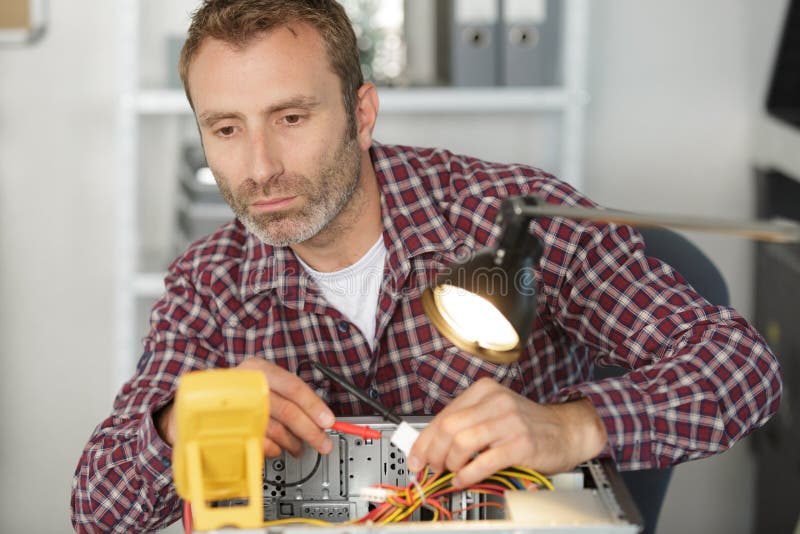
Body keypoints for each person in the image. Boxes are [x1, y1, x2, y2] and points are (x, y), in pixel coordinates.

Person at [71, 0, 782, 532]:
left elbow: (741, 369)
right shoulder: (211, 280)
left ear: (363, 111)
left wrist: (571, 427)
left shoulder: (505, 220)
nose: (259, 168)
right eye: (226, 129)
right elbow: (96, 509)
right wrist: (172, 425)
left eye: (291, 118)